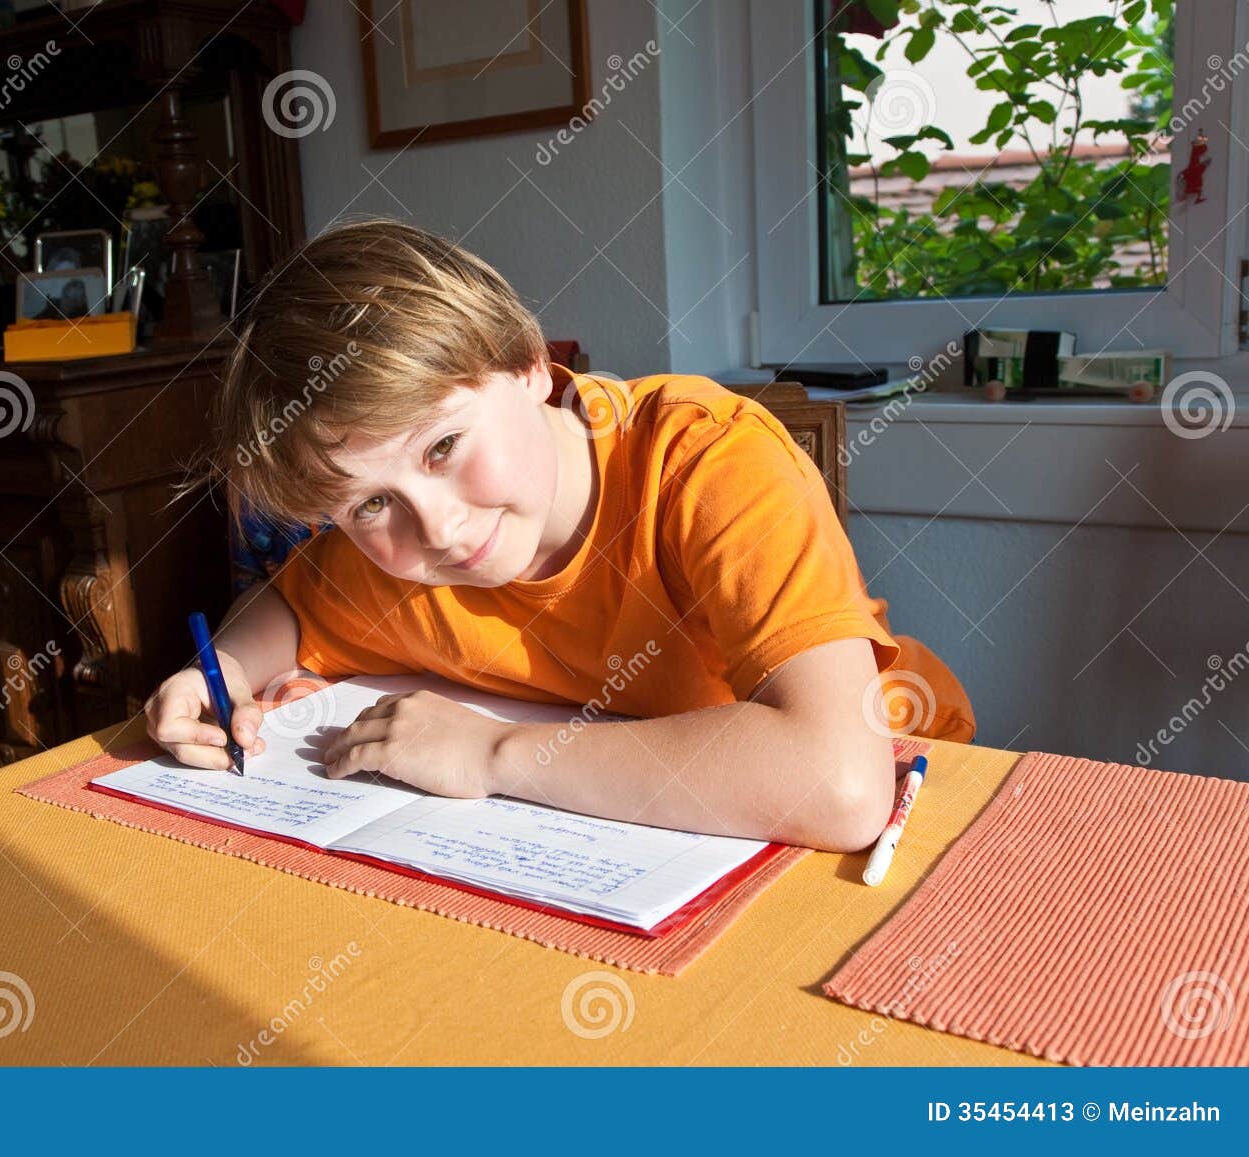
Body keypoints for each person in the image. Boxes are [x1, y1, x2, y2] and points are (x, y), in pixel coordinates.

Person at [145, 218, 974, 852]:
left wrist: (496, 752)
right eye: (367, 505)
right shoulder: (405, 556)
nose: (435, 525)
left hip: (900, 799)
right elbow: (293, 603)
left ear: (529, 364)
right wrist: (214, 669)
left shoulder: (706, 461)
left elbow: (836, 783)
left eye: (443, 447)